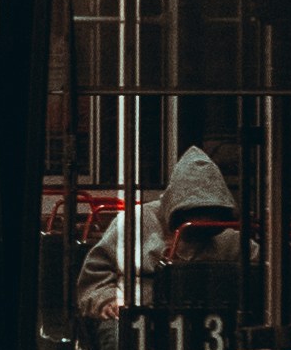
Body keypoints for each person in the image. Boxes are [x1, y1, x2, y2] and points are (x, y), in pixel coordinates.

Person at [79, 139, 246, 324]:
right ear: (177, 210)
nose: (200, 226)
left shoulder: (229, 238)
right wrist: (109, 300)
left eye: (210, 215)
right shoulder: (134, 223)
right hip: (135, 315)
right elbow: (95, 277)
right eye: (194, 214)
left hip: (209, 317)